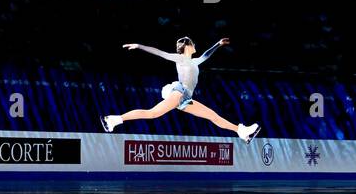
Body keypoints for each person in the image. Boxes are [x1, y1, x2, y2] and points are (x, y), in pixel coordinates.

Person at [101, 37, 260, 142]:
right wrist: (139, 46)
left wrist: (218, 44)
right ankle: (113, 119)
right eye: (193, 43)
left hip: (186, 98)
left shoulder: (194, 61)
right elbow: (160, 53)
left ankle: (241, 131)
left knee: (213, 116)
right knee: (152, 113)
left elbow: (206, 55)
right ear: (187, 46)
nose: (195, 45)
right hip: (179, 91)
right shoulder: (180, 58)